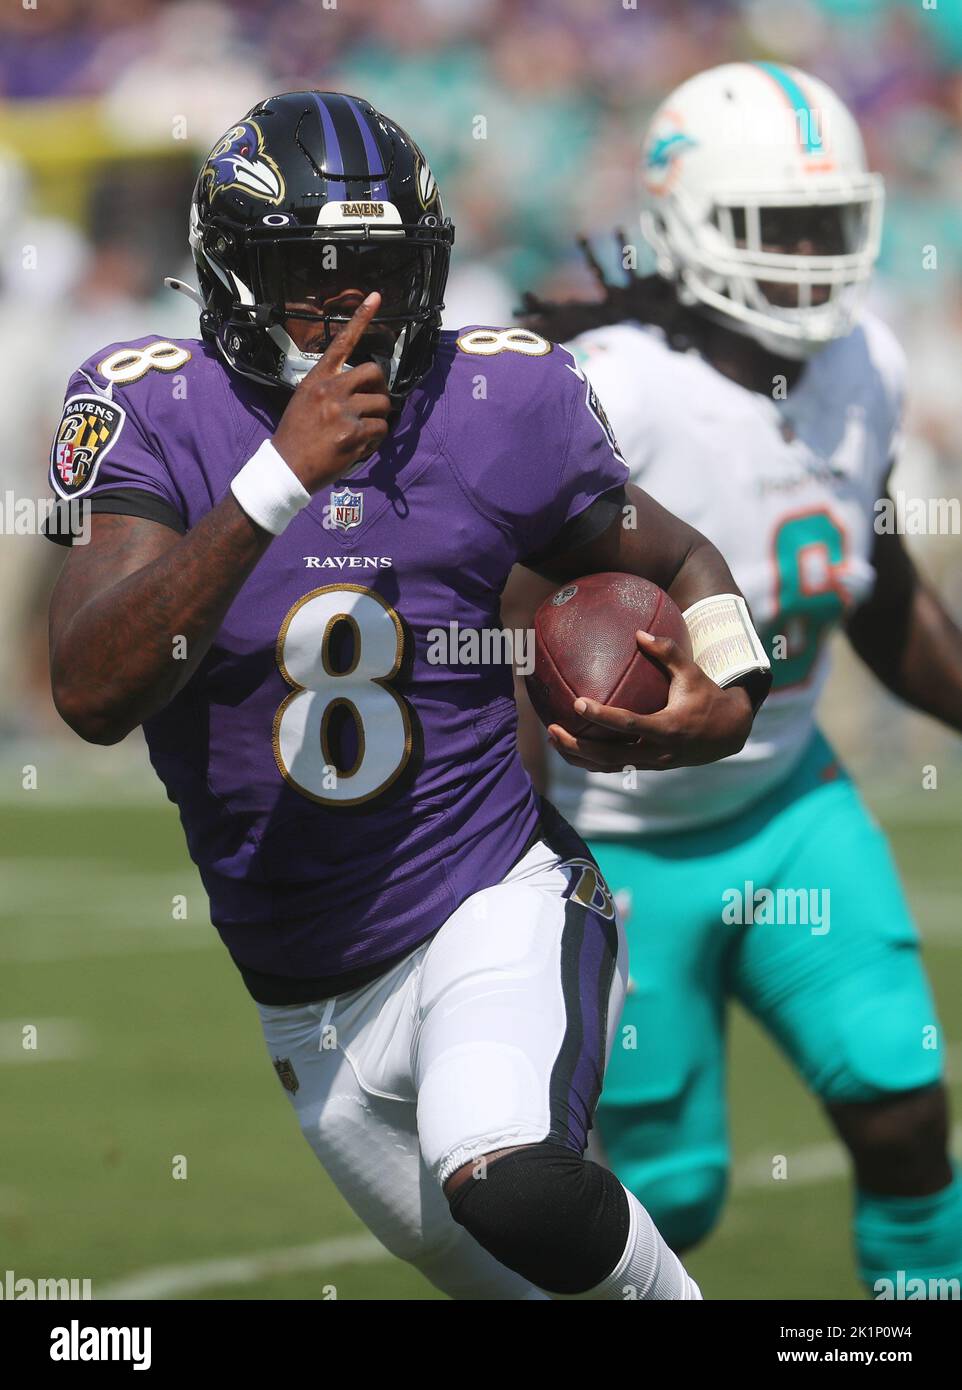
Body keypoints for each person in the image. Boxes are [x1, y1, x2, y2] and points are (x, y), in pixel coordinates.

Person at [44, 91, 771, 1300]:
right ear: (231, 275)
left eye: (382, 272)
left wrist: (729, 688)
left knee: (511, 1174)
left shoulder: (490, 396)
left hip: (488, 894)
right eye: (311, 277)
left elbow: (675, 557)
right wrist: (274, 480)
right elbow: (93, 687)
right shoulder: (155, 405)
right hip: (304, 1000)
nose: (356, 311)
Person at [513, 62, 962, 1296]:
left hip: (788, 810)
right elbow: (503, 636)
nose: (812, 257)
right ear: (686, 222)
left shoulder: (862, 359)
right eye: (780, 229)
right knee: (675, 1198)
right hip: (618, 845)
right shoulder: (611, 384)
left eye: (829, 226)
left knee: (902, 1106)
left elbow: (877, 593)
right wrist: (509, 861)